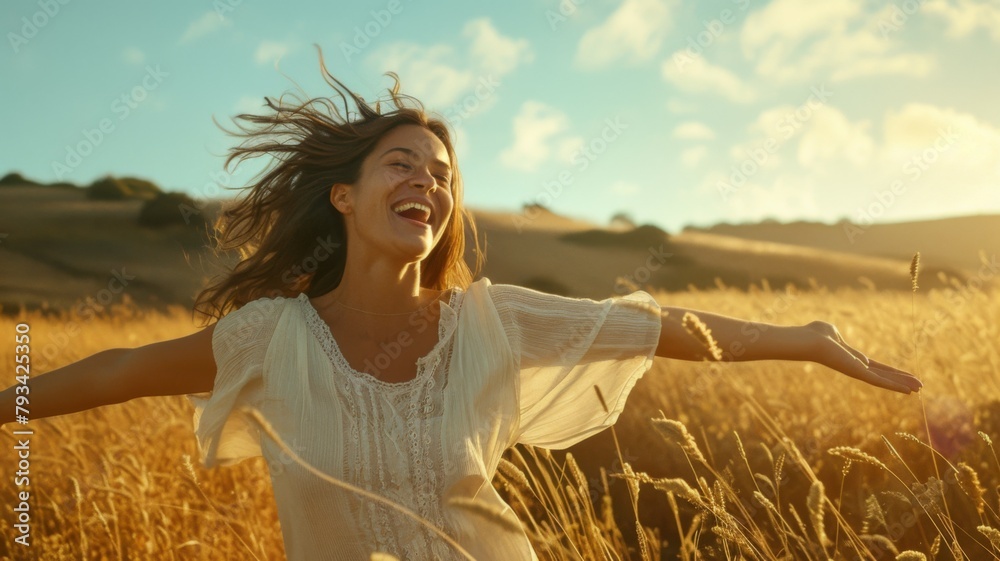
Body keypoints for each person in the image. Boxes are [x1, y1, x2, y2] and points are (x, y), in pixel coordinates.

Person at [0, 48, 922, 560]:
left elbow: (663, 328)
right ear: (345, 197)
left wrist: (806, 337)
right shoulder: (268, 338)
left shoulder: (494, 321)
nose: (427, 183)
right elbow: (119, 369)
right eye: (401, 162)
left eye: (442, 175)